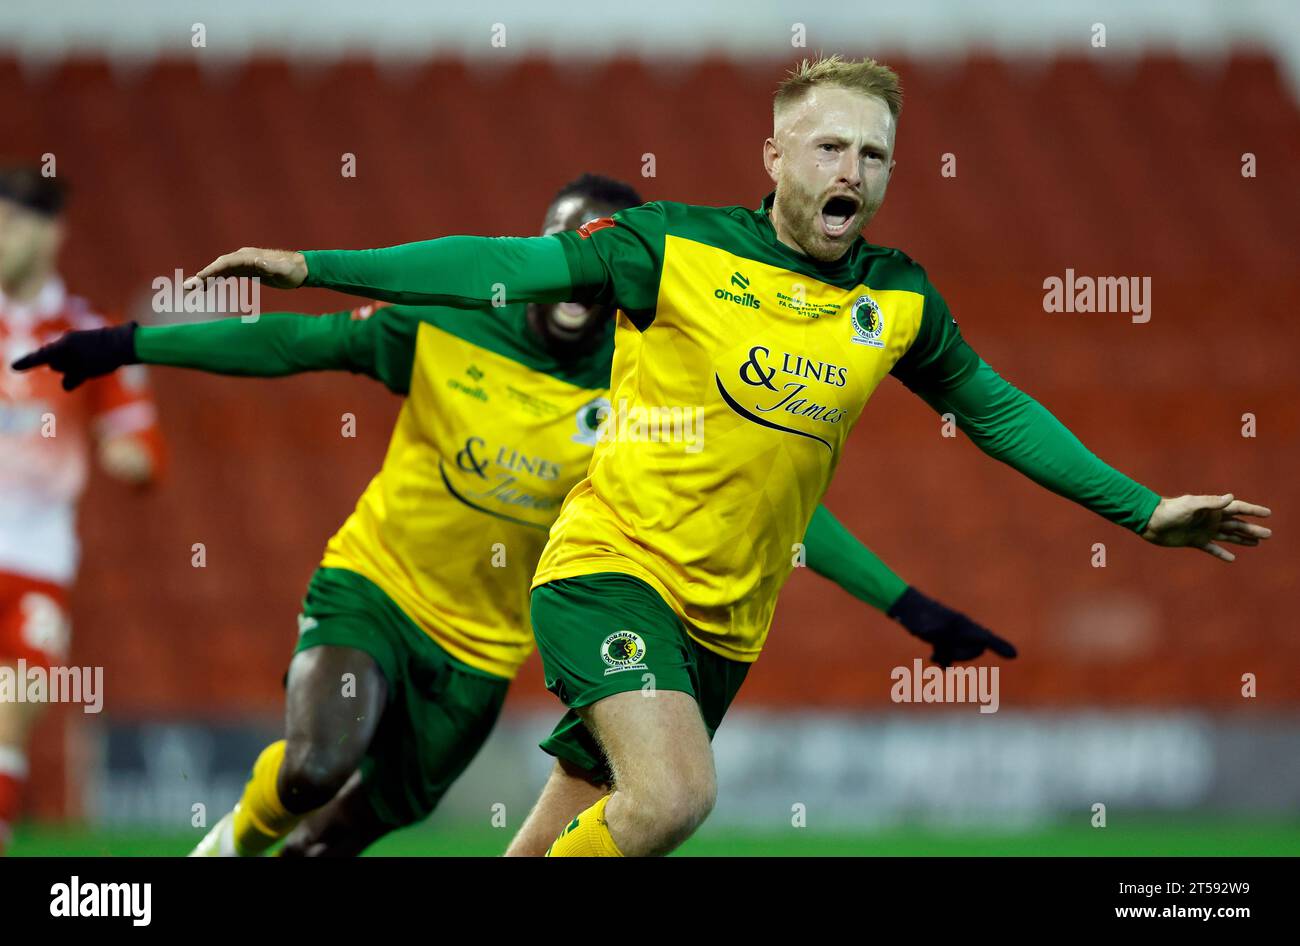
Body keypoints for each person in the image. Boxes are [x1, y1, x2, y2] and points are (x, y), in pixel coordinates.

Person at [15, 172, 1008, 856]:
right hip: (375, 590)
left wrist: (910, 605)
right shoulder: (444, 330)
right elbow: (294, 345)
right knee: (319, 763)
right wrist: (130, 342)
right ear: (540, 252)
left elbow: (776, 515)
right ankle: (229, 842)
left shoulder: (640, 388)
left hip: (482, 653)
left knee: (354, 829)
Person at [0, 167, 163, 854]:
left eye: (13, 224)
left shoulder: (87, 335)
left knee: (7, 735)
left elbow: (143, 442)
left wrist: (130, 453)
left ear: (50, 233)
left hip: (37, 567)